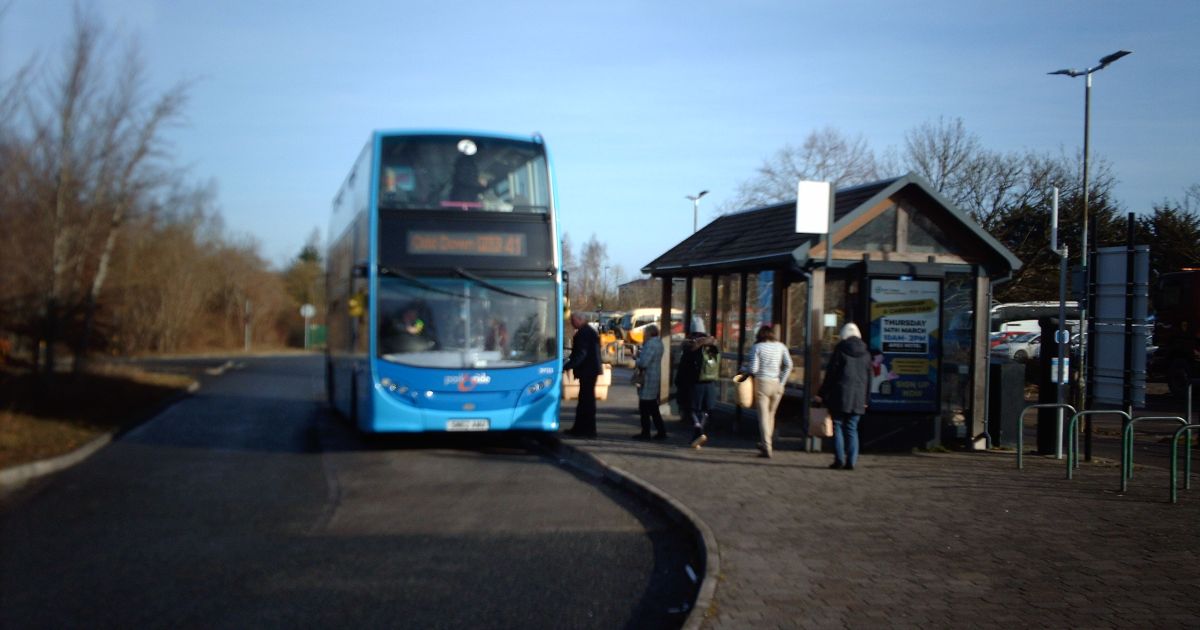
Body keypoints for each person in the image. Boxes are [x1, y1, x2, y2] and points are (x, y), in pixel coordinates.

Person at [817, 322, 873, 471]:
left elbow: (831, 374)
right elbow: (869, 378)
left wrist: (822, 393)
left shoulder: (840, 350)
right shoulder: (866, 353)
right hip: (859, 397)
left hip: (840, 395)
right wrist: (866, 399)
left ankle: (839, 460)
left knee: (837, 426)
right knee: (852, 428)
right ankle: (851, 461)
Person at [741, 325, 792, 458]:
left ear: (760, 335)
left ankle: (767, 447)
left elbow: (753, 369)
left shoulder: (757, 347)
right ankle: (766, 443)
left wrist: (744, 369)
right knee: (771, 415)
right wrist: (782, 381)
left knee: (763, 417)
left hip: (762, 384)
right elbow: (789, 365)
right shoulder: (781, 346)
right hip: (777, 384)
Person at [676, 330, 719, 448]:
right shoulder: (712, 349)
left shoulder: (690, 350)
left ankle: (698, 429)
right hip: (710, 383)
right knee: (705, 409)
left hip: (694, 384)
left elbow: (682, 369)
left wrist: (678, 383)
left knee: (692, 409)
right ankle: (698, 433)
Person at [562, 312, 602, 437]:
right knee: (585, 400)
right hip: (590, 370)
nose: (571, 323)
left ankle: (586, 430)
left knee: (586, 401)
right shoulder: (588, 331)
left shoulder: (584, 333)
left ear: (580, 320)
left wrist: (568, 365)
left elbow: (581, 353)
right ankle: (581, 428)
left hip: (587, 371)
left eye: (573, 321)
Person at [633, 324, 668, 440]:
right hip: (655, 375)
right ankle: (661, 431)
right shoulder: (659, 343)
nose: (643, 335)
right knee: (653, 407)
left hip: (648, 378)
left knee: (644, 407)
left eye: (644, 333)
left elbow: (644, 362)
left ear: (649, 333)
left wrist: (636, 359)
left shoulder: (650, 344)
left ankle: (645, 432)